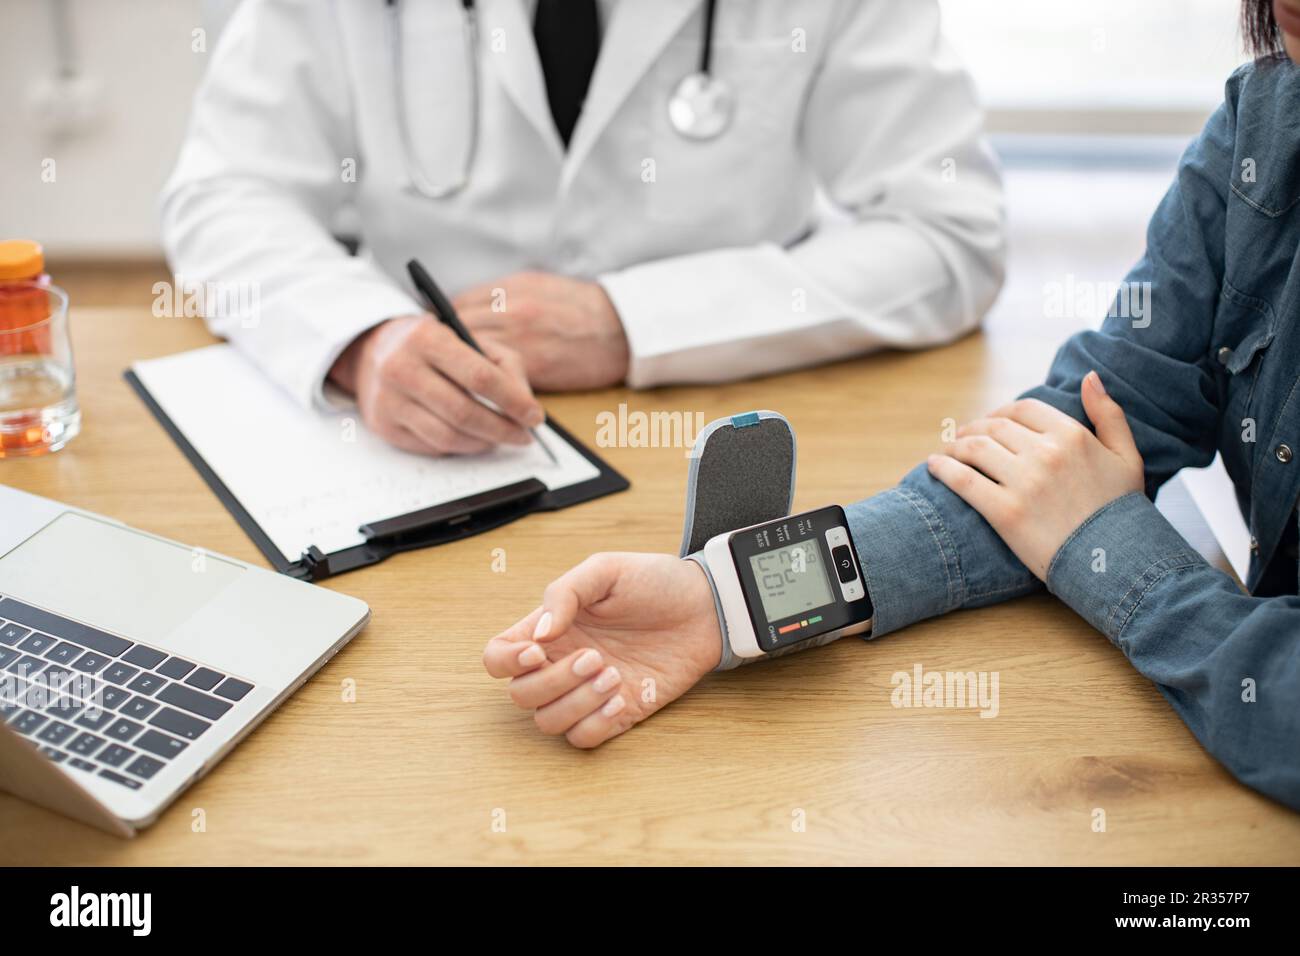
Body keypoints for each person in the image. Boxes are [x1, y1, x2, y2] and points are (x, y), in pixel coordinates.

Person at [483, 0, 1300, 813]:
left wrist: (1112, 551)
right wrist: (727, 601)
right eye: (1290, 26)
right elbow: (1069, 442)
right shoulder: (1264, 113)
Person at [161, 0, 1003, 456]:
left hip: (736, 423)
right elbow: (226, 190)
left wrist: (631, 322)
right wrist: (362, 338)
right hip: (419, 452)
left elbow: (949, 235)